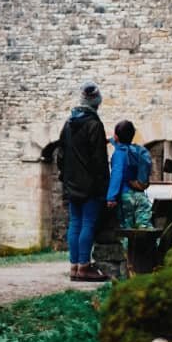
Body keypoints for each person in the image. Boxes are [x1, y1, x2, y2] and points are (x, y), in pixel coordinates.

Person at [55, 83, 109, 282]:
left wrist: (65, 177)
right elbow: (99, 160)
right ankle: (84, 266)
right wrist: (104, 185)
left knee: (75, 223)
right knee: (88, 223)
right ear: (97, 102)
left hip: (71, 182)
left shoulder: (68, 123)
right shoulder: (94, 124)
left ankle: (74, 266)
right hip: (89, 184)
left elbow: (60, 154)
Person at [107, 120, 153, 233]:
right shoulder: (136, 151)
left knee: (127, 230)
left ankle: (130, 250)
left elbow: (116, 175)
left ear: (116, 136)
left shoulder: (119, 154)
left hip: (125, 197)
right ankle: (151, 249)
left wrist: (111, 197)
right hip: (140, 196)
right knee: (145, 228)